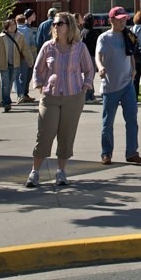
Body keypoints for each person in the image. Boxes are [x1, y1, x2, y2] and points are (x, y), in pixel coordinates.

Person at [26, 12, 94, 188]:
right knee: (45, 133)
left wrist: (85, 88)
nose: (55, 26)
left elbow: (89, 69)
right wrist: (40, 86)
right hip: (50, 97)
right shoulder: (48, 47)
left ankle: (61, 171)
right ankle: (35, 172)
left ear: (69, 26)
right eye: (54, 24)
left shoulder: (79, 48)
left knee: (66, 134)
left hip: (73, 96)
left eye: (60, 24)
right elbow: (37, 69)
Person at [95, 6, 141, 166]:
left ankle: (132, 152)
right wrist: (100, 67)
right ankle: (106, 153)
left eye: (125, 19)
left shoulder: (128, 35)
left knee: (132, 119)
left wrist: (134, 69)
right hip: (110, 85)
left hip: (127, 84)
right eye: (119, 19)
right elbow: (98, 55)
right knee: (107, 122)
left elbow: (130, 54)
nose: (123, 22)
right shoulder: (104, 38)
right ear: (111, 20)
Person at [0, 18, 33, 112]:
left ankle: (4, 99)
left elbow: (25, 49)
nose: (13, 26)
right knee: (5, 83)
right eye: (10, 25)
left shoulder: (20, 36)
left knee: (10, 83)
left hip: (15, 64)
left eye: (14, 24)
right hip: (3, 64)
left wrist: (30, 61)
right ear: (6, 27)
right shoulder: (0, 37)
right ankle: (7, 103)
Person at [14, 13, 37, 104]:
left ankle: (19, 94)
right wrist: (33, 56)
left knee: (16, 75)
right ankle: (23, 93)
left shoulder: (13, 30)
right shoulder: (28, 30)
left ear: (16, 21)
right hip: (25, 55)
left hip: (15, 55)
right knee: (24, 75)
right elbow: (32, 44)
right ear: (25, 21)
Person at [81, 14, 100, 102]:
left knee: (88, 76)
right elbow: (96, 46)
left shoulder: (82, 32)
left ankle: (91, 95)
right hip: (91, 56)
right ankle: (88, 96)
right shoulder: (93, 32)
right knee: (90, 76)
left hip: (83, 57)